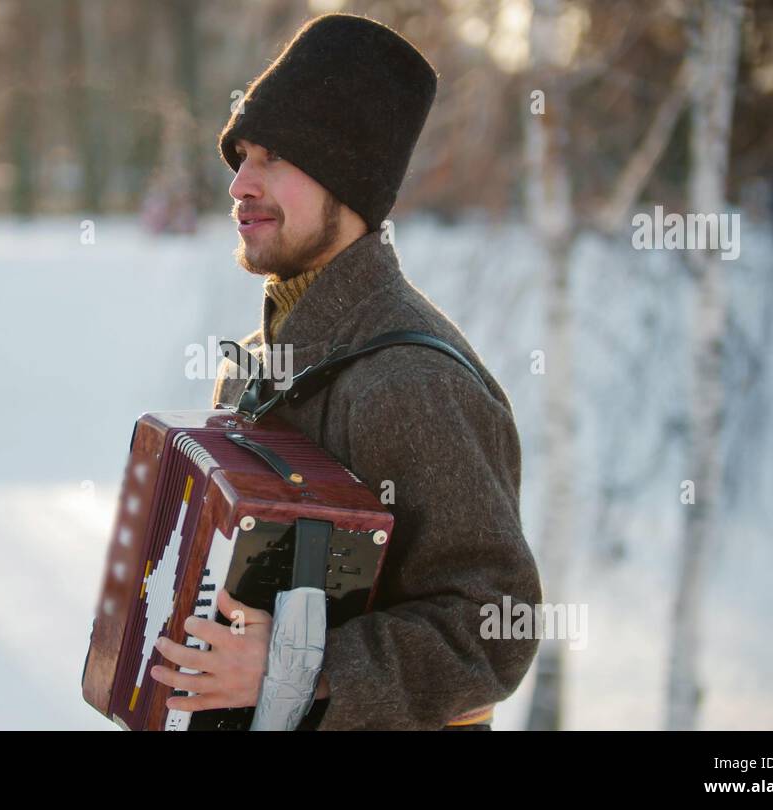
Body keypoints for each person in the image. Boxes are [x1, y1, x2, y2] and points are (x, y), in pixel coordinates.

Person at [148, 13, 542, 730]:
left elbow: (495, 628)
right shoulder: (249, 370)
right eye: (240, 156)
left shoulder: (417, 380)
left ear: (347, 183)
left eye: (272, 157)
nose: (239, 183)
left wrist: (294, 667)